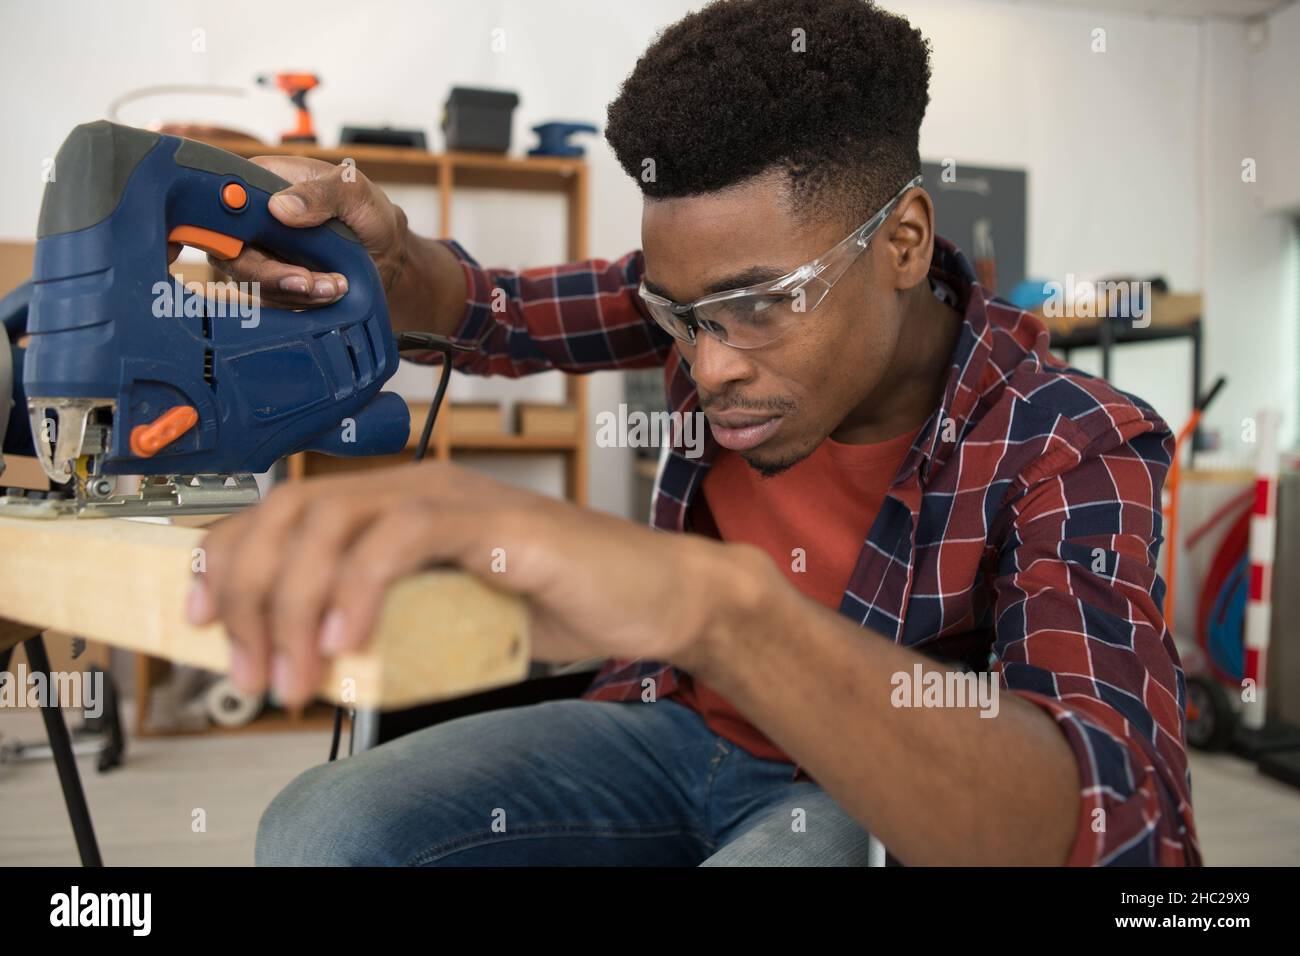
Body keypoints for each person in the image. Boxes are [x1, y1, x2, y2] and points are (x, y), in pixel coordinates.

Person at [187, 0, 1200, 866]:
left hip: (849, 777)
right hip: (663, 724)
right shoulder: (701, 308)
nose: (708, 364)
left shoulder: (1073, 437)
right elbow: (486, 309)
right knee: (324, 822)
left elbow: (1126, 822)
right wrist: (383, 247)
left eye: (757, 304)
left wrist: (717, 607)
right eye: (678, 314)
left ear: (903, 242)